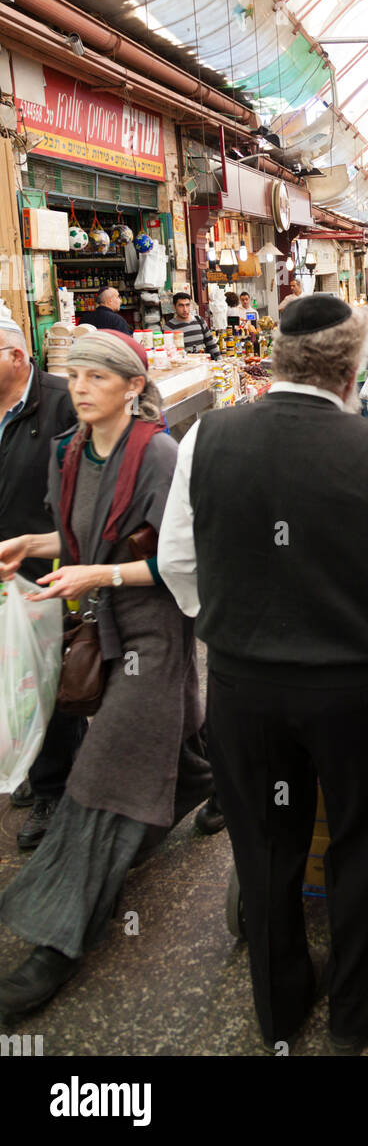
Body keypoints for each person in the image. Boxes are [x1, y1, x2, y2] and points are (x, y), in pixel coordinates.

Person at [158, 294, 368, 1055]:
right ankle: (357, 1015)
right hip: (359, 692)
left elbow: (177, 563)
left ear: (276, 359)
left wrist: (236, 628)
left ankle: (281, 1007)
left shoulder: (207, 439)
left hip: (243, 689)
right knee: (365, 841)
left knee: (264, 846)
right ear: (354, 366)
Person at [0, 331, 220, 1018]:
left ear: (132, 386)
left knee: (99, 778)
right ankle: (214, 780)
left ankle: (57, 944)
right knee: (154, 750)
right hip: (101, 628)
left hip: (154, 635)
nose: (82, 388)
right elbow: (81, 537)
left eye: (99, 377)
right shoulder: (68, 454)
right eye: (75, 376)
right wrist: (31, 544)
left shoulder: (158, 454)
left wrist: (102, 573)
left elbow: (188, 562)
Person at [0, 317, 80, 837]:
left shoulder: (59, 401)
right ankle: (29, 766)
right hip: (4, 566)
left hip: (46, 564)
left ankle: (57, 791)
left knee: (50, 680)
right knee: (14, 680)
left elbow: (82, 485)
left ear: (15, 355)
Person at [165, 292, 220, 359]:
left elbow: (211, 344)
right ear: (174, 307)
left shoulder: (199, 320)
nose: (185, 309)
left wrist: (220, 361)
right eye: (181, 305)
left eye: (187, 305)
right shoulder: (169, 327)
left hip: (203, 364)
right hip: (184, 366)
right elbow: (168, 352)